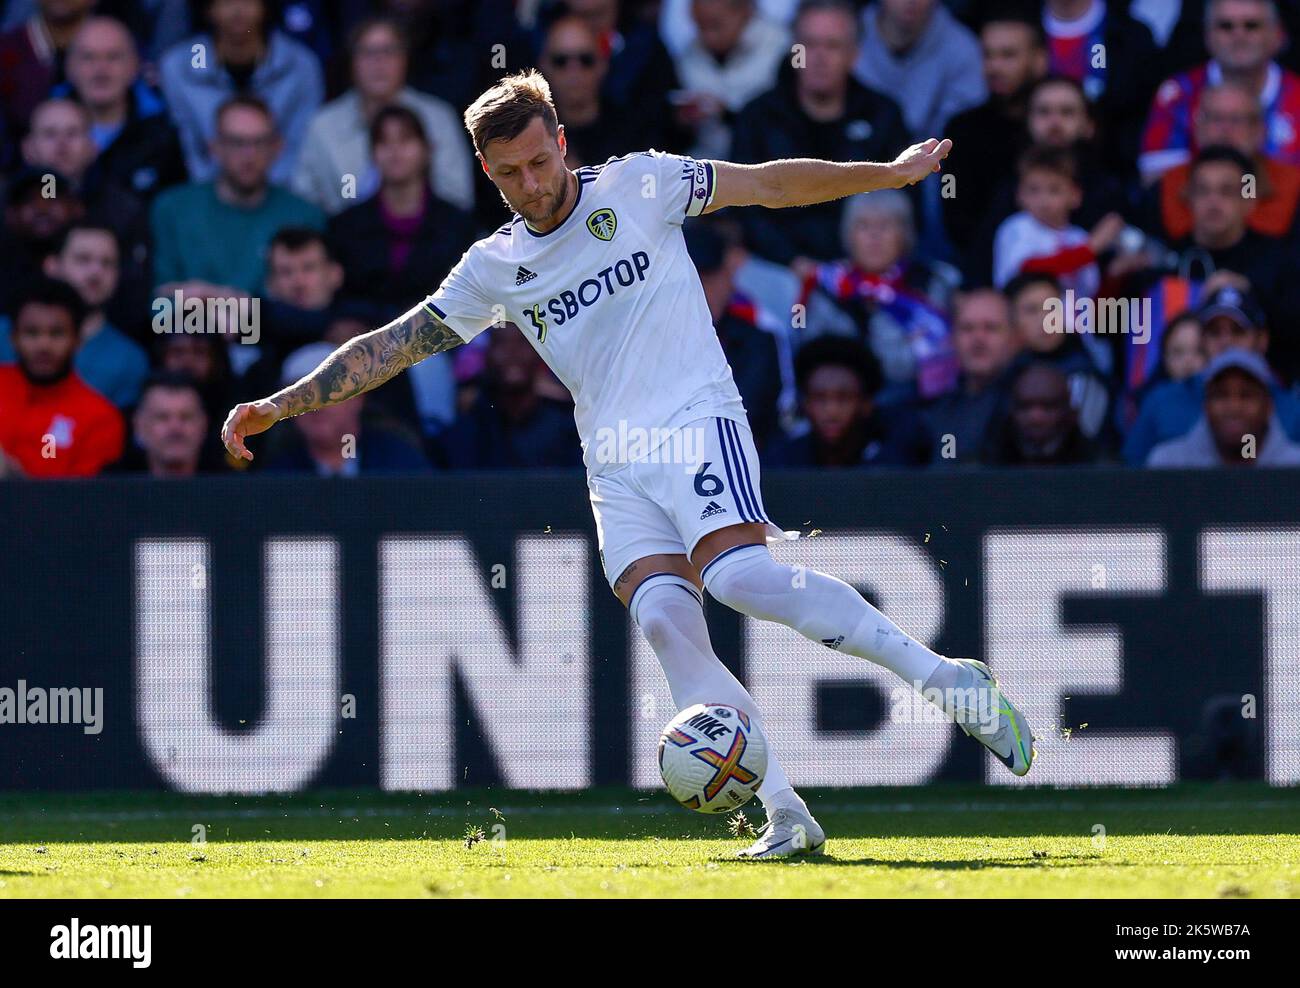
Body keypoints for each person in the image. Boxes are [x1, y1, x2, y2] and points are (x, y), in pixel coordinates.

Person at [222, 68, 1036, 860]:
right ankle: (785, 812)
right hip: (613, 460)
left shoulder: (643, 184)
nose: (532, 184)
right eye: (509, 174)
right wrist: (281, 405)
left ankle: (946, 679)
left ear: (563, 141)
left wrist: (886, 175)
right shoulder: (494, 266)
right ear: (484, 171)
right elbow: (393, 344)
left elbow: (768, 184)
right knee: (663, 622)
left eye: (541, 161)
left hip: (695, 416)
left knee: (739, 580)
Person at [728, 0, 911, 265]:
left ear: (854, 54)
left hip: (866, 271)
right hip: (773, 269)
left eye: (833, 46)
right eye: (809, 45)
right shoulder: (757, 117)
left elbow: (900, 203)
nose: (819, 57)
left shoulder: (884, 115)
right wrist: (792, 261)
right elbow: (743, 208)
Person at [291, 15, 475, 216]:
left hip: (429, 240)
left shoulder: (437, 119)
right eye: (367, 53)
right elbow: (304, 205)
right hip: (341, 241)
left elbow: (458, 198)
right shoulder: (323, 125)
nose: (379, 63)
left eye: (389, 51)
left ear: (405, 59)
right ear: (351, 62)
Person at [150, 95, 324, 297]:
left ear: (277, 148)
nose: (249, 155)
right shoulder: (172, 209)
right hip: (190, 327)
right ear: (214, 147)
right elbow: (158, 304)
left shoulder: (304, 216)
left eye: (259, 142)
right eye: (236, 142)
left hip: (278, 328)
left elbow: (311, 303)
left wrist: (208, 295)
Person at [800, 189, 960, 403]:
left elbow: (945, 353)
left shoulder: (935, 281)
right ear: (848, 235)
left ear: (904, 234)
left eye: (885, 226)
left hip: (926, 404)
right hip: (850, 411)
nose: (874, 237)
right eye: (863, 226)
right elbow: (818, 363)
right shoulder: (827, 287)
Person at [158, 0, 323, 185]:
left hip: (283, 192)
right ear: (208, 8)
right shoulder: (177, 66)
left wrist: (266, 196)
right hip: (205, 194)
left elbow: (300, 142)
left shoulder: (301, 64)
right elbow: (187, 143)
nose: (238, 10)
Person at [1141, 0, 1300, 181]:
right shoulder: (1177, 94)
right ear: (1207, 35)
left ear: (1278, 35)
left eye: (1252, 26)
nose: (1239, 35)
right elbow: (1158, 183)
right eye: (1225, 26)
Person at [0, 277, 124, 477]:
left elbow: (85, 502)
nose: (43, 345)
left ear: (77, 340)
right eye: (32, 333)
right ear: (13, 338)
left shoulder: (100, 419)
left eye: (56, 333)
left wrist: (13, 476)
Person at [432, 325, 584, 470]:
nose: (512, 354)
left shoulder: (568, 428)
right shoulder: (467, 431)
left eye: (522, 343)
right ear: (487, 355)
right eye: (502, 344)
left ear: (540, 354)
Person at [765, 335, 930, 467]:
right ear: (805, 403)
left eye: (843, 398)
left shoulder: (899, 458)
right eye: (819, 398)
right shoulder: (783, 463)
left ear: (866, 403)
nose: (831, 411)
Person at [1147, 348, 1300, 466]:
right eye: (1221, 395)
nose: (1233, 408)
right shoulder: (1169, 463)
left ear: (1269, 407)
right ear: (1205, 405)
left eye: (1246, 395)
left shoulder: (1294, 466)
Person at [923, 287, 1023, 467]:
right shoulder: (939, 408)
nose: (978, 339)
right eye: (967, 328)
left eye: (991, 328)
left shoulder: (1033, 399)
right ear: (952, 339)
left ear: (1015, 338)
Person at [984, 361, 1102, 466]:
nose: (1036, 417)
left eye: (1048, 406)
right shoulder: (989, 461)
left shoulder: (1097, 463)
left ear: (1071, 412)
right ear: (1011, 410)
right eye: (1025, 406)